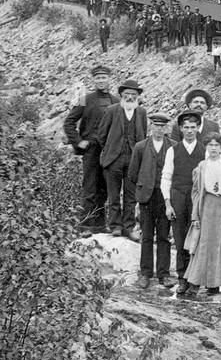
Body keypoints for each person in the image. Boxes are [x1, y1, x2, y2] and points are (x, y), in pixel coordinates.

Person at [181, 135, 221, 299]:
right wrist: (195, 215)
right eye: (210, 145)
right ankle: (207, 283)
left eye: (217, 145)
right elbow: (196, 193)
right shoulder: (201, 166)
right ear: (206, 147)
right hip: (208, 208)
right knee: (205, 244)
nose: (213, 148)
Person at [63, 64, 117, 230]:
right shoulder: (85, 98)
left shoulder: (116, 101)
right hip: (91, 149)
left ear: (109, 79)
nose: (101, 80)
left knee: (104, 187)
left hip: (109, 150)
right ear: (93, 80)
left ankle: (100, 225)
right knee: (90, 187)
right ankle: (85, 225)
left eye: (104, 77)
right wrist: (78, 141)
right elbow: (69, 121)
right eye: (98, 78)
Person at [94, 78, 148, 238]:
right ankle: (115, 226)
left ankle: (129, 227)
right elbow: (101, 135)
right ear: (121, 95)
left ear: (138, 96)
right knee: (114, 195)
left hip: (133, 160)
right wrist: (111, 149)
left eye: (133, 94)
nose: (130, 97)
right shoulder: (112, 110)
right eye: (127, 94)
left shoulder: (142, 112)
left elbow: (143, 135)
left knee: (131, 196)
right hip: (113, 160)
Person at [161, 111, 207, 294]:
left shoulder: (204, 150)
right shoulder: (173, 150)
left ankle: (195, 280)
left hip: (197, 200)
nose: (189, 131)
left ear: (198, 128)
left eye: (193, 127)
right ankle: (182, 279)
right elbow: (166, 177)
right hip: (178, 198)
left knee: (197, 240)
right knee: (180, 241)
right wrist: (168, 204)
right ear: (180, 129)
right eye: (186, 127)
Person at [130, 111, 173, 290]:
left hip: (165, 197)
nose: (159, 129)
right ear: (151, 127)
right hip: (146, 197)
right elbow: (133, 174)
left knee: (163, 236)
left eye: (162, 126)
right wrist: (141, 192)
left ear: (166, 128)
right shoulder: (140, 147)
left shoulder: (173, 146)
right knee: (147, 235)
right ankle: (145, 273)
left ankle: (164, 274)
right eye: (156, 126)